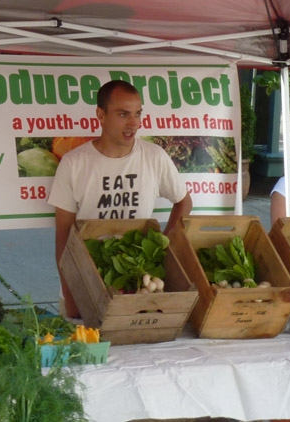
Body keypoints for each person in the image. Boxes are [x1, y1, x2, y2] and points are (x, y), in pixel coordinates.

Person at [49, 79, 193, 318]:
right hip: (87, 282)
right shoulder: (74, 163)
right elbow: (63, 236)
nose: (133, 123)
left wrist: (163, 245)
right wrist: (70, 292)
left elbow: (184, 202)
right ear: (100, 115)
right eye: (123, 114)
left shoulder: (154, 156)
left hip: (139, 284)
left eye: (138, 114)